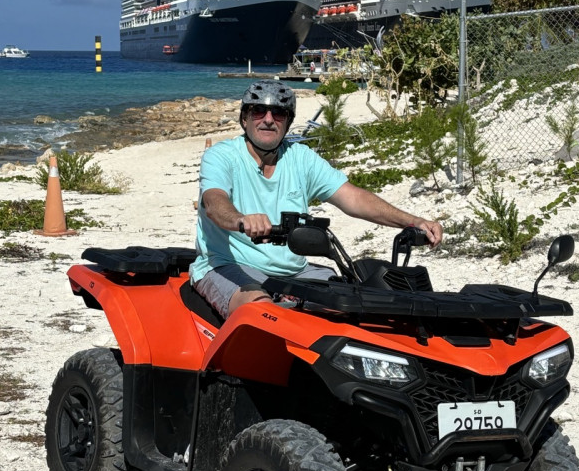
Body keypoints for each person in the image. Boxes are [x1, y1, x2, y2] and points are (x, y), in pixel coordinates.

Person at [189, 81, 443, 320]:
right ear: (245, 118)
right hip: (227, 265)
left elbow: (353, 198)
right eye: (258, 111)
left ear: (287, 122)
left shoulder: (301, 158)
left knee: (354, 302)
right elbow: (214, 203)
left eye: (278, 113)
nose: (268, 120)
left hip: (295, 271)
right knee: (262, 314)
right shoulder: (221, 156)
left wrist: (412, 221)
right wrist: (241, 220)